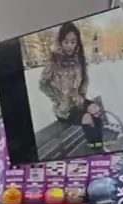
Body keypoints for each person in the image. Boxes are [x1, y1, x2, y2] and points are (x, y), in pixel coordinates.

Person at [38, 21, 105, 152]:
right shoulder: (53, 61)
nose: (69, 45)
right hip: (64, 110)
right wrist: (58, 98)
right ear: (60, 42)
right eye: (66, 41)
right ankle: (97, 151)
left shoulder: (78, 59)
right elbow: (43, 84)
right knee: (87, 118)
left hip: (77, 101)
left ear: (77, 43)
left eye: (73, 42)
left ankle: (98, 147)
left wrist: (83, 99)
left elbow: (84, 79)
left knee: (96, 111)